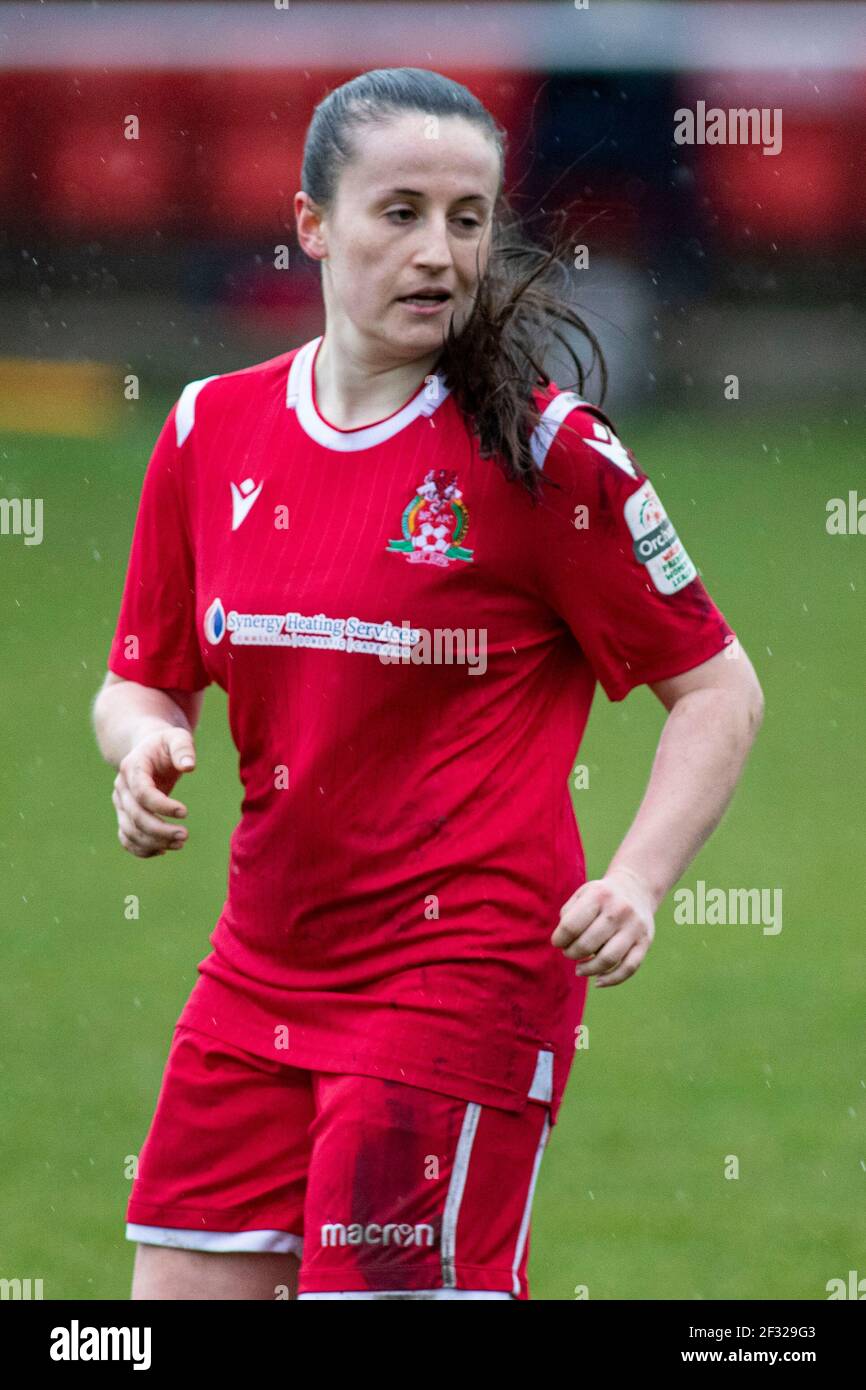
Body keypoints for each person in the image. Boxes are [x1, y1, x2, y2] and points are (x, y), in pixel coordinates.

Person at [92, 68, 763, 1302]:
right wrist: (138, 747)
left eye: (466, 218)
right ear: (311, 223)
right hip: (257, 974)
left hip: (459, 987)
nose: (438, 252)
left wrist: (637, 877)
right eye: (397, 212)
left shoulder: (547, 455)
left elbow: (718, 690)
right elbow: (140, 680)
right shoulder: (207, 430)